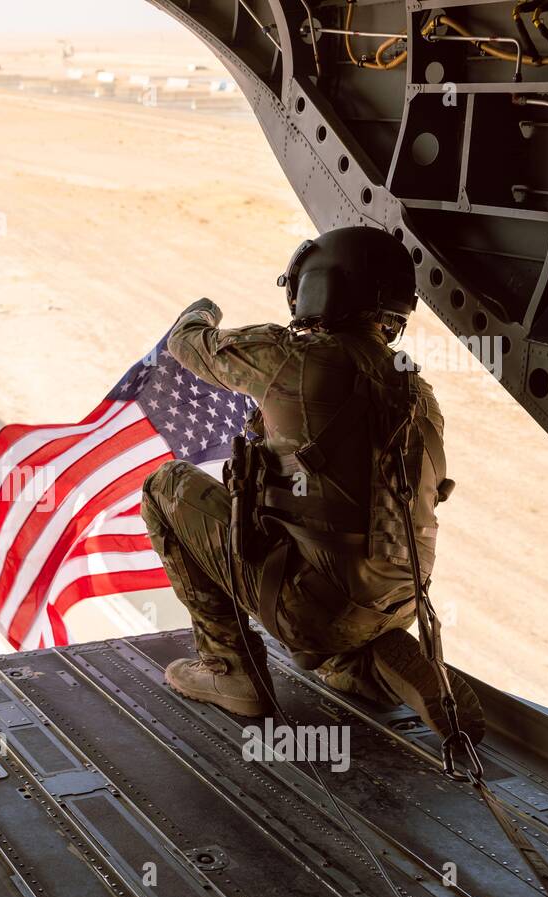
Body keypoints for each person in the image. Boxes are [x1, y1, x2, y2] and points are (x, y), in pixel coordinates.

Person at [141, 227, 483, 742]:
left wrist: (200, 310)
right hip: (398, 603)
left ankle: (229, 669)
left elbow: (189, 346)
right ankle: (371, 664)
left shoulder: (290, 358)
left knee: (164, 484)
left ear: (319, 288)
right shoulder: (417, 391)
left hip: (311, 604)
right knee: (331, 559)